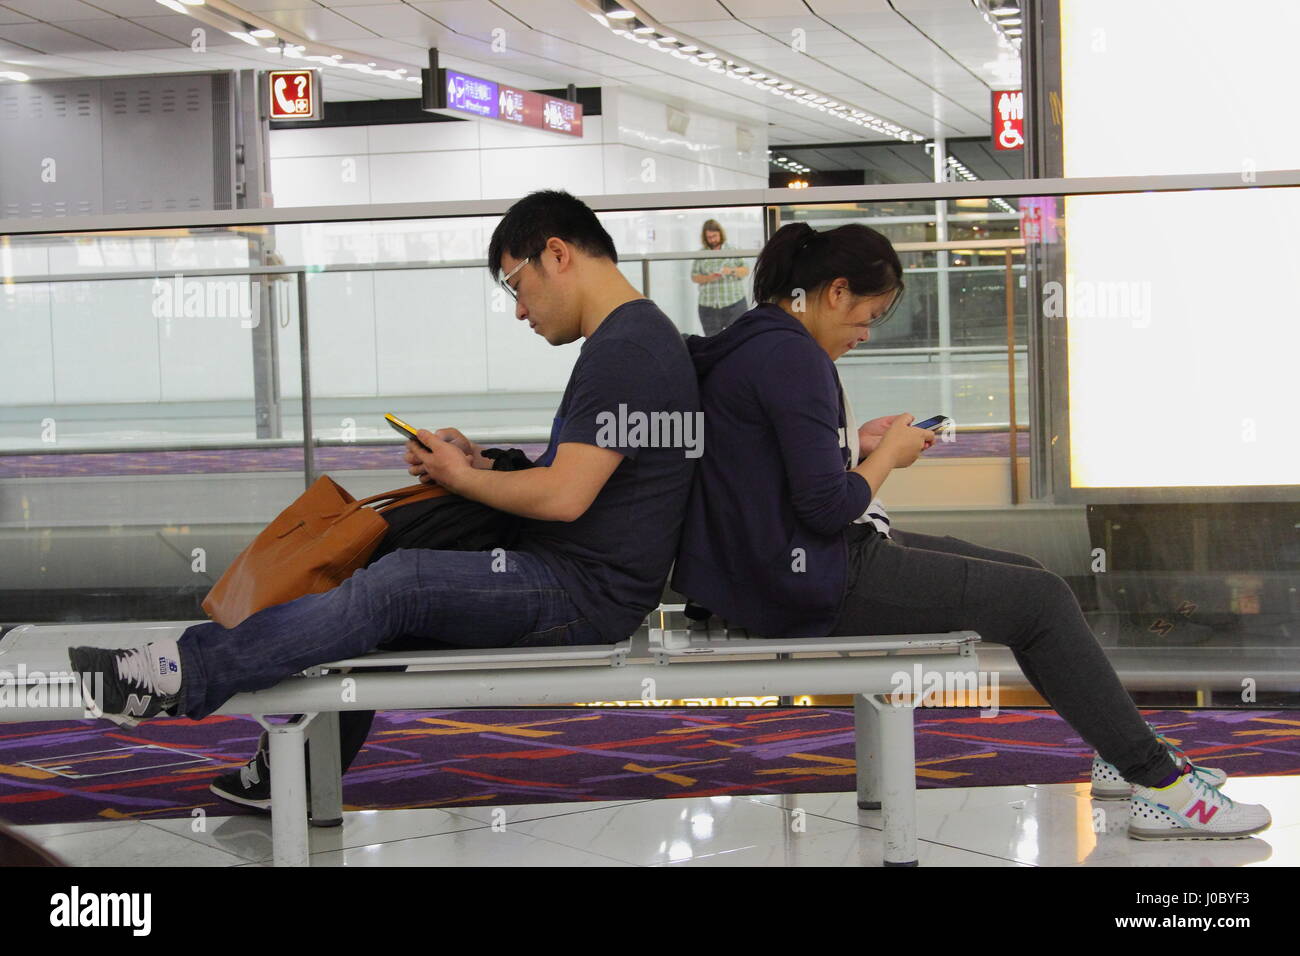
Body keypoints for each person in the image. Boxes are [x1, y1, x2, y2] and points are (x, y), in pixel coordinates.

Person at [671, 221, 1271, 841]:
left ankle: (1121, 751)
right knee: (1042, 603)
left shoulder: (752, 339)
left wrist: (857, 445)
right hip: (811, 578)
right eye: (864, 317)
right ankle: (1162, 785)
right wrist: (887, 458)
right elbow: (825, 508)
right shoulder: (793, 357)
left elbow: (776, 476)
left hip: (784, 567)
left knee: (1033, 581)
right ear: (835, 291)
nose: (864, 334)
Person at [67, 191, 700, 767]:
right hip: (575, 575)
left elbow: (565, 497)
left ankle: (177, 673)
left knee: (403, 584)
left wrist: (460, 476)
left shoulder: (627, 351)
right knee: (387, 577)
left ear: (555, 254)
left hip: (581, 594)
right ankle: (291, 768)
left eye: (515, 285)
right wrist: (476, 466)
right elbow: (589, 481)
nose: (520, 311)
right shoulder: (631, 341)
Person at [690, 219, 749, 335]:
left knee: (738, 338)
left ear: (720, 234)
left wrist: (731, 270)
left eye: (714, 236)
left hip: (734, 304)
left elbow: (745, 270)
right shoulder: (701, 254)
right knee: (713, 343)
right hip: (708, 307)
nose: (712, 240)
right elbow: (694, 277)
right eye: (709, 237)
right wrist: (709, 277)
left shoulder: (733, 250)